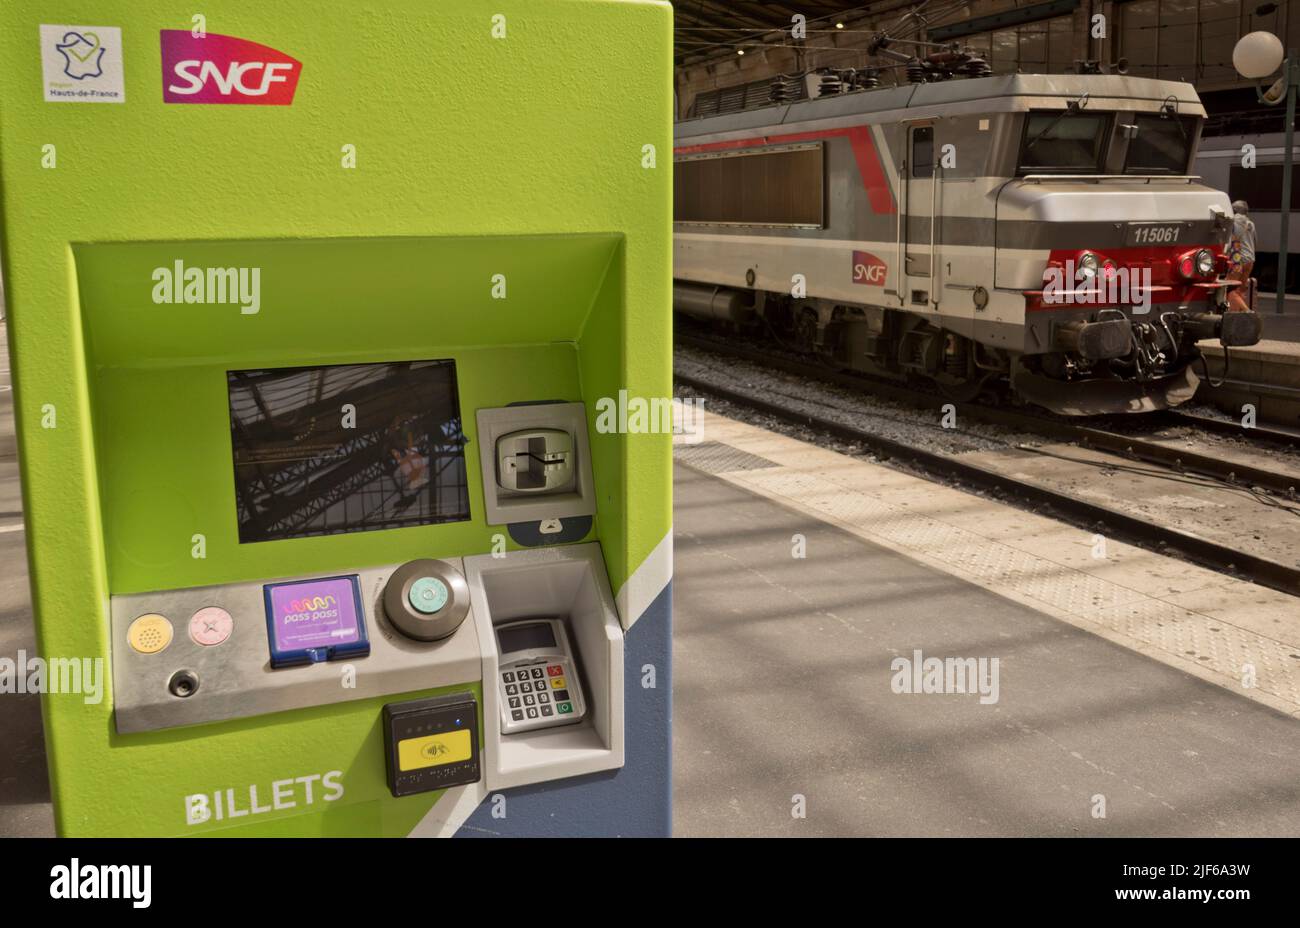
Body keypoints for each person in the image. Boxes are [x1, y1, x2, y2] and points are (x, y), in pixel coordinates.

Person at [1226, 199, 1256, 312]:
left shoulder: (1232, 222)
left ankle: (1247, 312)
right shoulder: (1251, 224)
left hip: (1238, 260)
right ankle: (1236, 315)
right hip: (1250, 260)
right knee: (1239, 291)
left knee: (1229, 289)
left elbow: (1228, 242)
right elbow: (1255, 241)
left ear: (1234, 210)